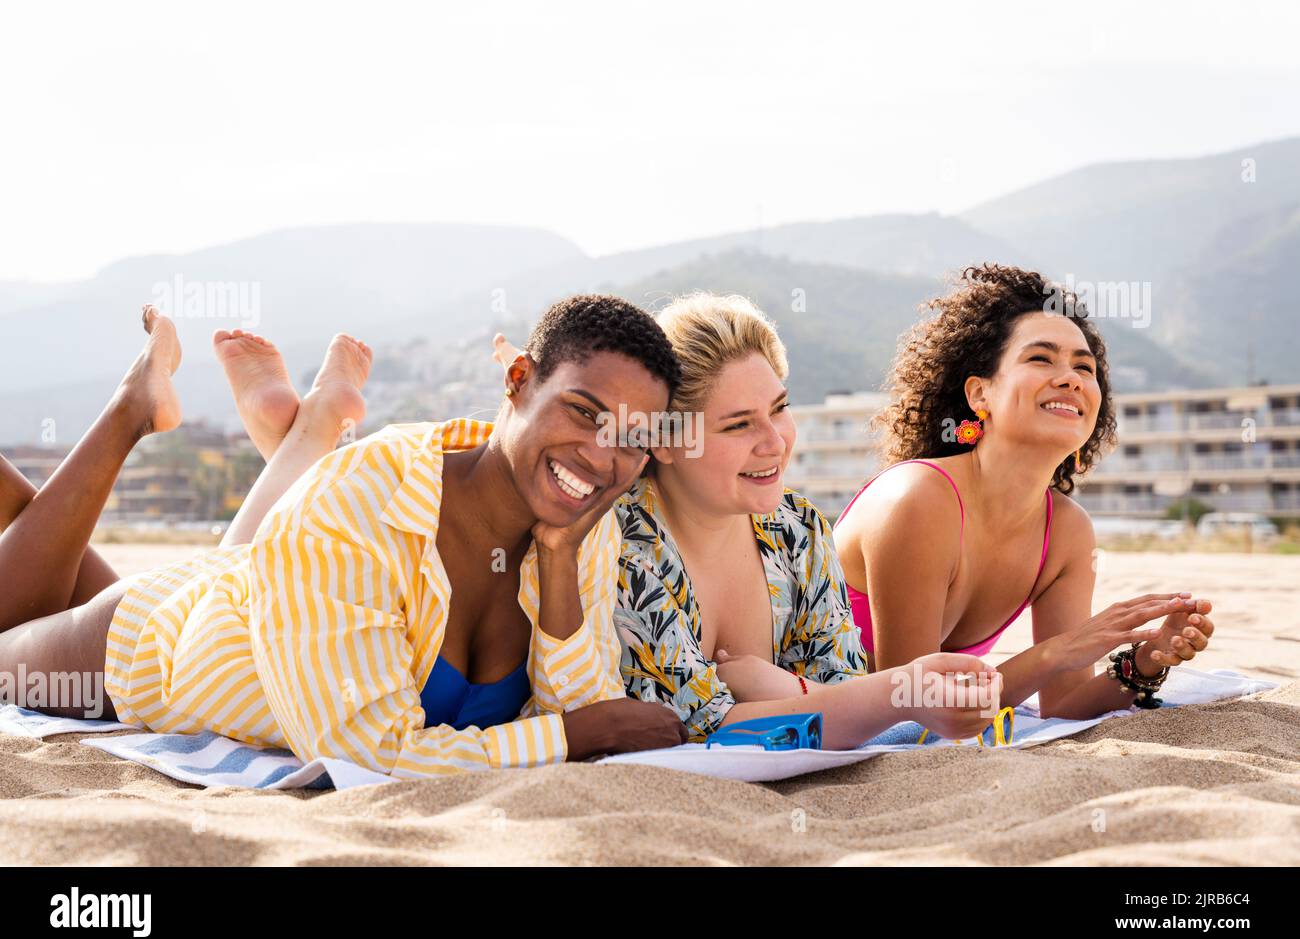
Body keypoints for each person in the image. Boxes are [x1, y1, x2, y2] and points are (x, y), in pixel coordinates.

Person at [0, 294, 687, 777]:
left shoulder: (581, 524)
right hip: (158, 643)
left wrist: (560, 565)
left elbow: (585, 704)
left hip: (269, 593)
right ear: (517, 380)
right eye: (583, 411)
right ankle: (132, 407)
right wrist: (574, 734)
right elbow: (369, 755)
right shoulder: (362, 498)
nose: (603, 457)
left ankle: (299, 427)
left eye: (632, 440)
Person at [606, 293, 1003, 750]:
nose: (775, 442)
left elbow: (843, 688)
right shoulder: (624, 547)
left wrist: (772, 686)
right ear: (666, 441)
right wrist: (899, 694)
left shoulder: (797, 528)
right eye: (738, 425)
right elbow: (694, 729)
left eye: (779, 408)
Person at [833, 265, 1215, 719]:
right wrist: (1060, 650)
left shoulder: (1067, 532)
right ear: (980, 394)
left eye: (1083, 366)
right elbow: (913, 703)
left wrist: (1145, 661)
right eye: (1040, 359)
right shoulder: (917, 499)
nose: (1070, 377)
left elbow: (1065, 702)